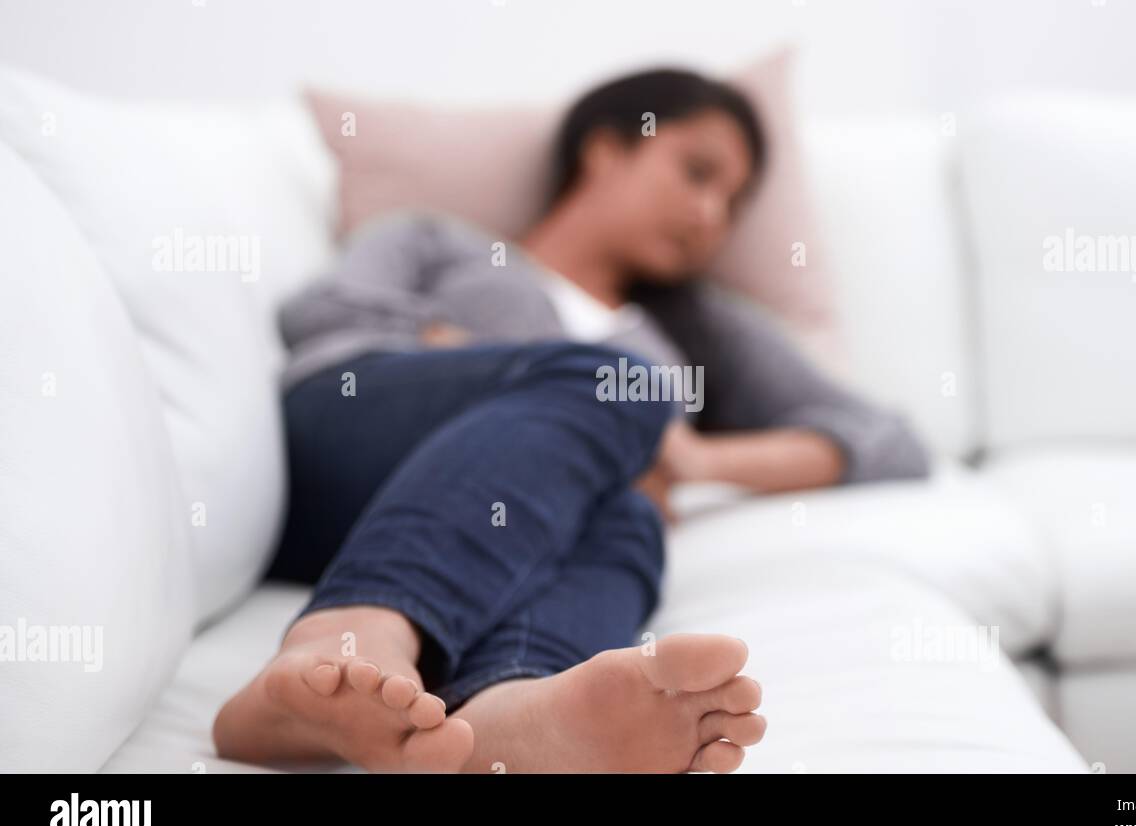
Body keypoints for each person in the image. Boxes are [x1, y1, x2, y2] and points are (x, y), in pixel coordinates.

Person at [212, 68, 929, 774]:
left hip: (525, 527)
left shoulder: (691, 328)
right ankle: (340, 637)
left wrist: (693, 460)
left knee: (630, 510)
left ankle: (508, 714)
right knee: (614, 382)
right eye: (697, 172)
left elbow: (888, 439)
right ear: (606, 149)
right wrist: (568, 387)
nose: (712, 215)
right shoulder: (438, 241)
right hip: (344, 447)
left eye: (733, 203)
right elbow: (325, 313)